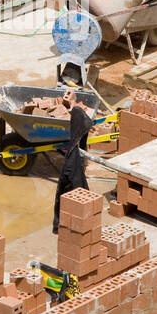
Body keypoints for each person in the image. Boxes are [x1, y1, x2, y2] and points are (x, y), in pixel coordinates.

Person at [52, 90, 94, 234]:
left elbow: (85, 123)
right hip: (72, 178)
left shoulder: (76, 136)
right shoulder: (74, 150)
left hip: (73, 172)